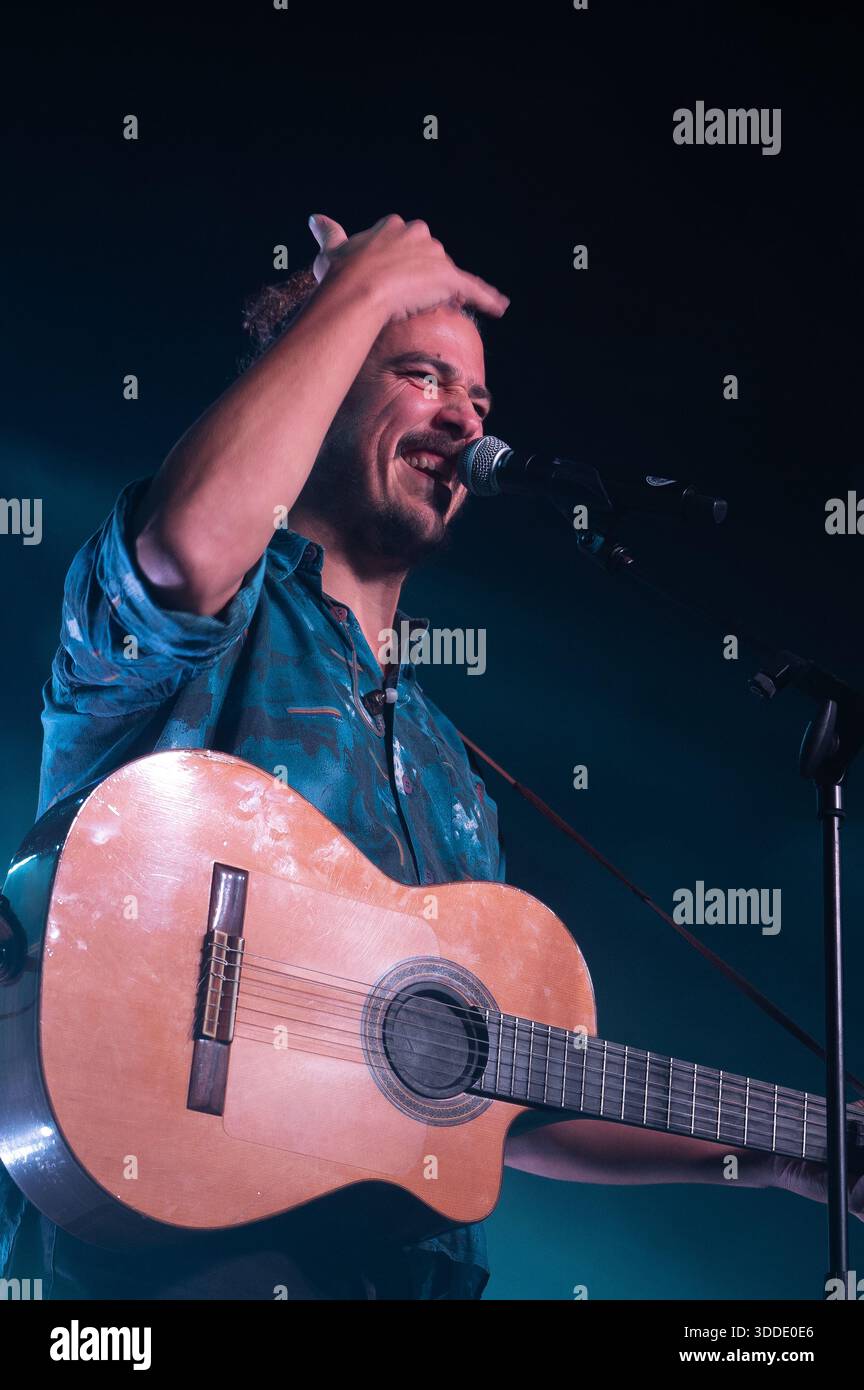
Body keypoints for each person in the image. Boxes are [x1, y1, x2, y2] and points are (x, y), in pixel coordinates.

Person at [2, 213, 861, 1300]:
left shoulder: (454, 772)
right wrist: (354, 291)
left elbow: (502, 1101)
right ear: (315, 387)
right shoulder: (206, 629)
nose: (465, 415)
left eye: (481, 398)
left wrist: (782, 1152)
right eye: (422, 375)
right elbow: (182, 552)